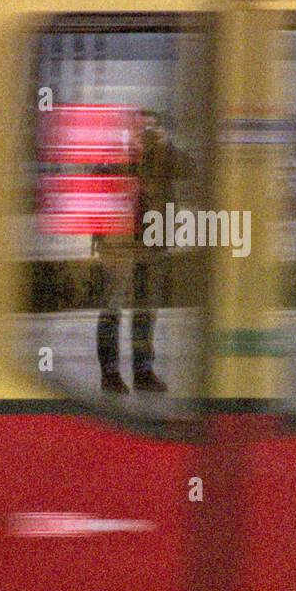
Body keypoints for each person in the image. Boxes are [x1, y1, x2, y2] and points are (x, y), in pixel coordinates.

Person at [94, 110, 187, 394]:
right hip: (117, 244)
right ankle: (110, 374)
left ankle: (143, 372)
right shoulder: (113, 155)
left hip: (152, 242)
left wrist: (164, 146)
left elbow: (189, 169)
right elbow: (98, 183)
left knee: (146, 310)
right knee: (112, 308)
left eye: (151, 128)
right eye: (139, 127)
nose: (144, 133)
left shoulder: (162, 155)